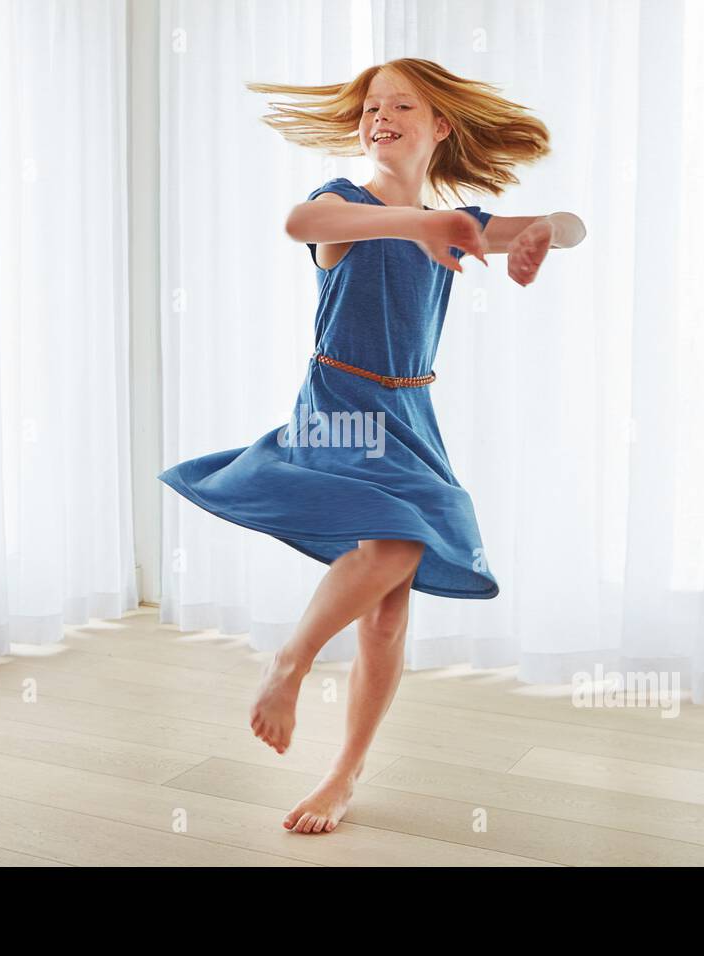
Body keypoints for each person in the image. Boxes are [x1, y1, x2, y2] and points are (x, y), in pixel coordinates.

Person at [159, 57, 586, 834]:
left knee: (388, 617)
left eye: (401, 105)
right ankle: (289, 661)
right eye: (371, 108)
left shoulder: (461, 221)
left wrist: (547, 234)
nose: (378, 116)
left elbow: (569, 228)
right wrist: (419, 224)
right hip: (341, 405)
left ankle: (344, 774)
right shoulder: (344, 204)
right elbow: (303, 225)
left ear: (441, 124)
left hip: (413, 416)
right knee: (399, 548)